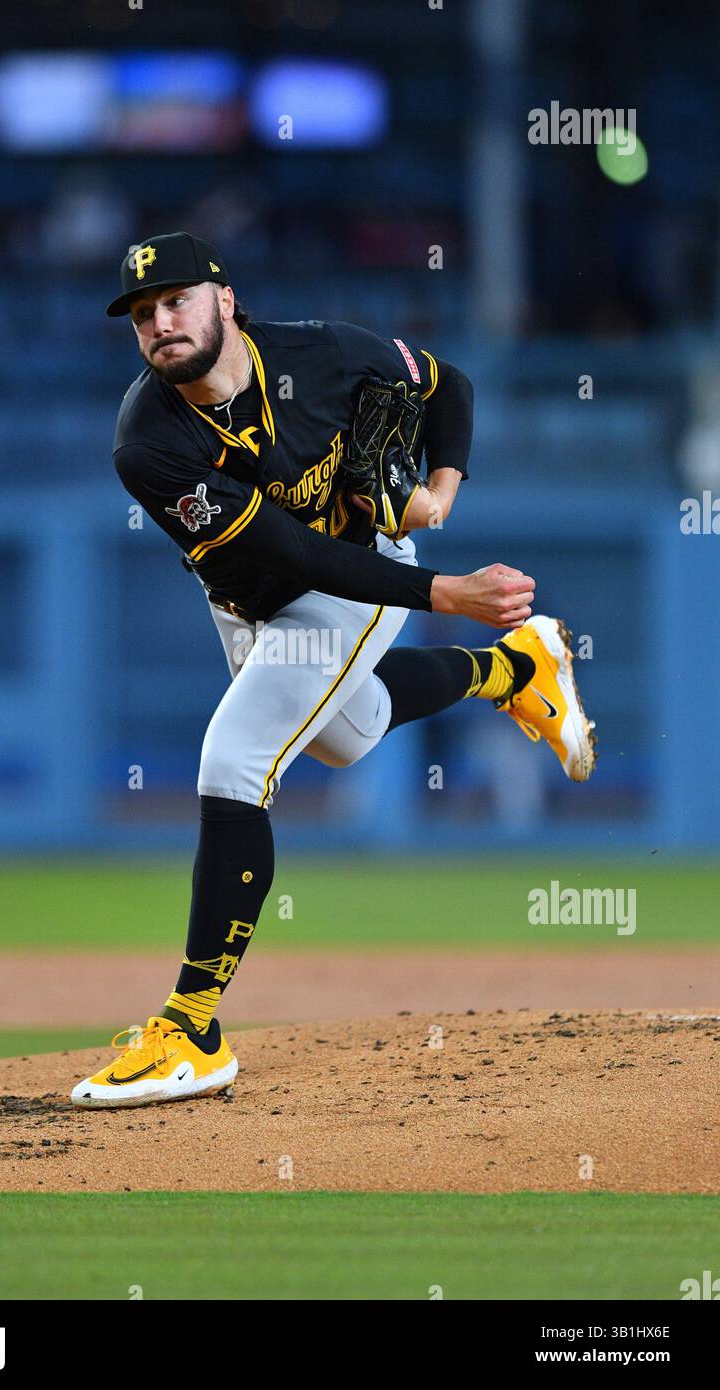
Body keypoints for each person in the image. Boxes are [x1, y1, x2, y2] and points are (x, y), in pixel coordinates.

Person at [71, 232, 595, 1109]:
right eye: (142, 314)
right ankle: (513, 668)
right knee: (345, 736)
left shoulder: (323, 354)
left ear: (225, 300)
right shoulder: (147, 442)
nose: (160, 323)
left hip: (363, 570)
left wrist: (439, 499)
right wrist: (449, 596)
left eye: (176, 300)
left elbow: (449, 386)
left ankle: (192, 1029)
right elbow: (281, 548)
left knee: (235, 761)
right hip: (255, 599)